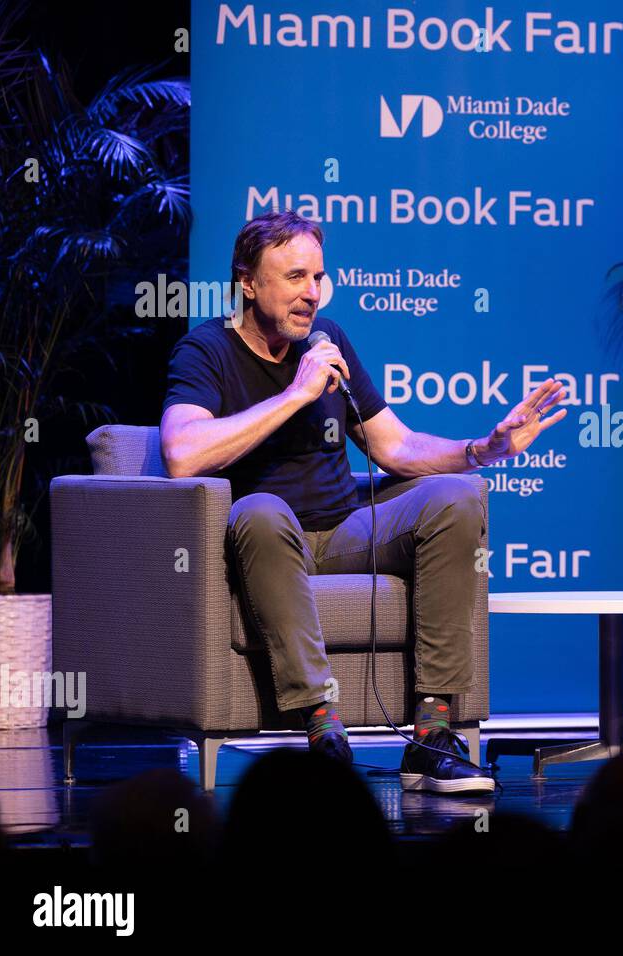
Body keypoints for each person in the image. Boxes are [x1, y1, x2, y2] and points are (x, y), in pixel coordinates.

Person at [161, 211, 568, 791]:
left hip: (344, 534)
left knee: (455, 499)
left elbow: (393, 445)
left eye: (318, 278)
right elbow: (181, 453)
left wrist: (484, 448)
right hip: (267, 541)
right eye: (295, 277)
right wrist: (298, 394)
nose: (312, 294)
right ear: (247, 282)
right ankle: (323, 728)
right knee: (260, 508)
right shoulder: (207, 349)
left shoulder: (329, 341)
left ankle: (430, 737)